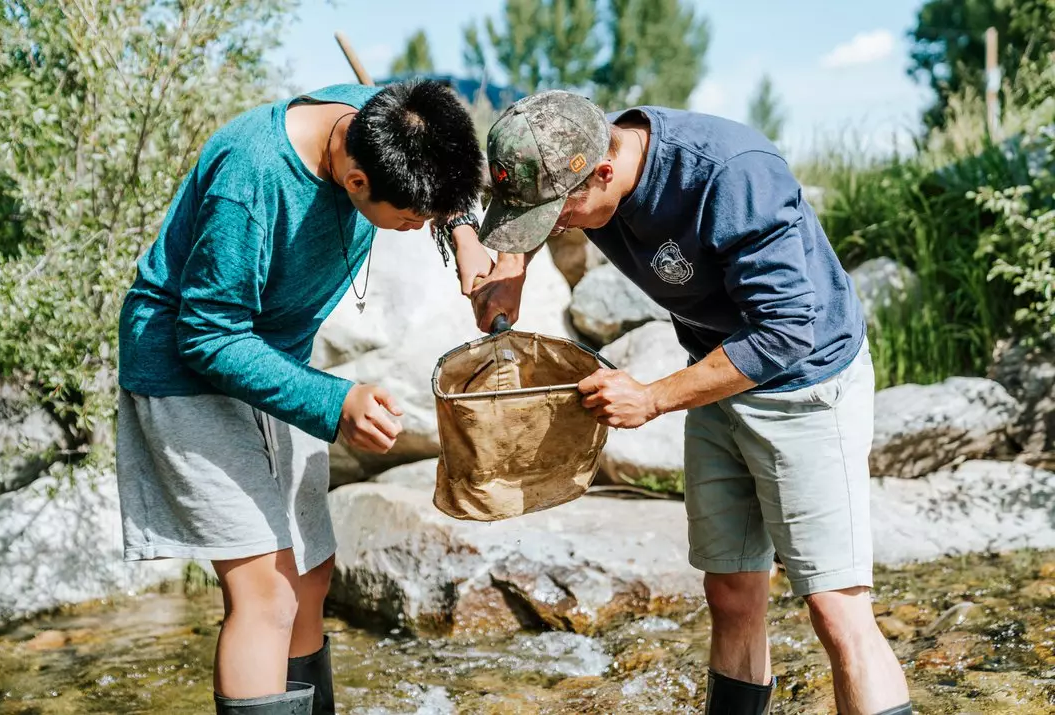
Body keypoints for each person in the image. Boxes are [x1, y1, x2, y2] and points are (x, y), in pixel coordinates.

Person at [460, 90, 913, 715]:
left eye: (557, 212)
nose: (555, 225)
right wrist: (511, 265)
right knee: (730, 591)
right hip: (719, 377)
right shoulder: (568, 147)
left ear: (603, 171)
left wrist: (650, 398)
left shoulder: (731, 175)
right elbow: (533, 201)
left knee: (836, 609)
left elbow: (785, 332)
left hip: (807, 387)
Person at [115, 79, 485, 715]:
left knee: (311, 575)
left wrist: (464, 234)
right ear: (357, 182)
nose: (416, 227)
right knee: (267, 595)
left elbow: (437, 170)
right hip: (188, 370)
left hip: (276, 361)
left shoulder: (384, 117)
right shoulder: (251, 177)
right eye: (411, 219)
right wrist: (333, 403)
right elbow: (206, 334)